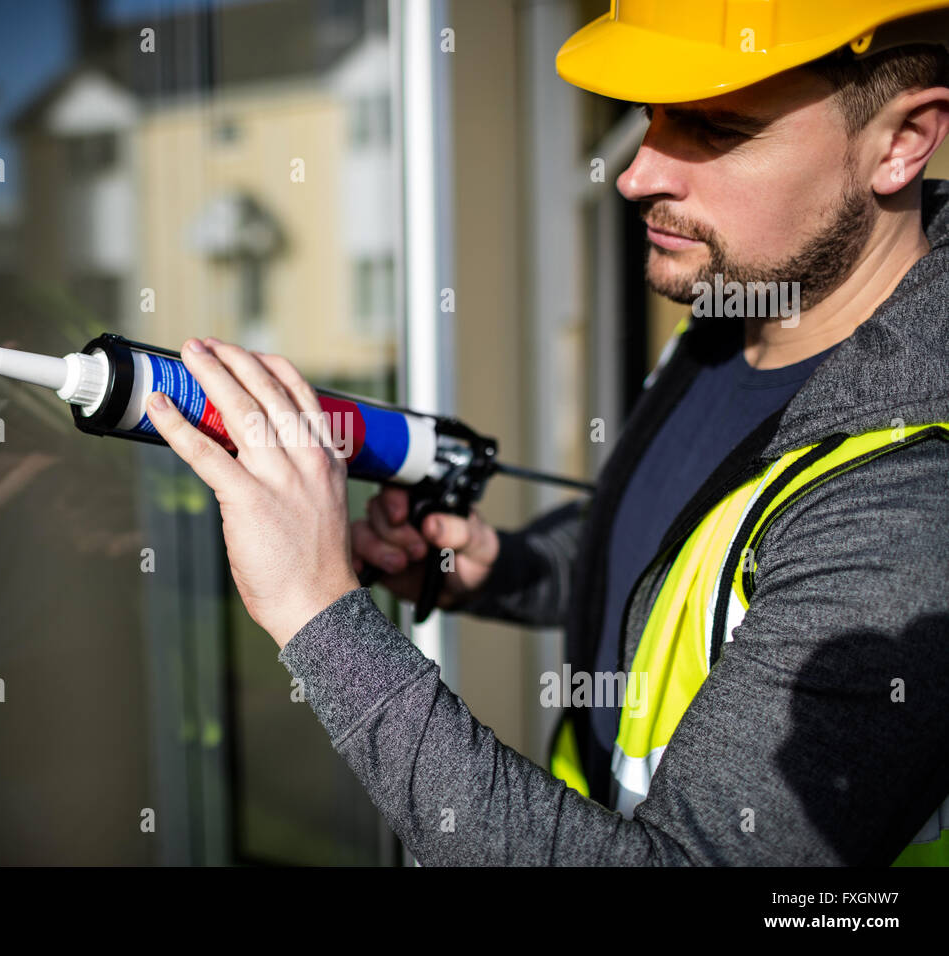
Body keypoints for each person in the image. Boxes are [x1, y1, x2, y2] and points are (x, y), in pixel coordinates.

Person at [146, 1, 949, 865]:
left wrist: (319, 612)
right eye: (648, 119)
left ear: (903, 141)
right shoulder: (730, 321)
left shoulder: (911, 505)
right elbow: (685, 561)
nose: (637, 176)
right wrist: (509, 568)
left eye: (716, 129)